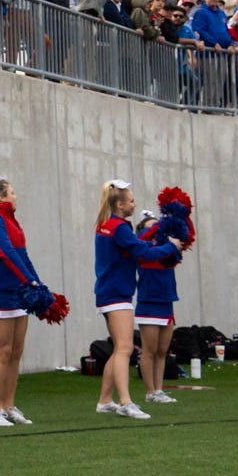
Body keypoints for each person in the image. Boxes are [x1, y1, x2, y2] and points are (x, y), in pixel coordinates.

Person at [0, 171, 58, 427]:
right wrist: (29, 281)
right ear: (1, 197)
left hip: (18, 294)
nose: (16, 197)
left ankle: (9, 405)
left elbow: (23, 256)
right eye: (13, 192)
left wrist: (39, 286)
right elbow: (4, 252)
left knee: (16, 352)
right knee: (2, 351)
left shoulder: (12, 221)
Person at [90, 179, 180, 419]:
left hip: (110, 290)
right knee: (125, 348)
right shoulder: (119, 227)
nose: (134, 203)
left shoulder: (107, 224)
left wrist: (155, 233)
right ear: (120, 204)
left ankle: (105, 400)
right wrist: (172, 247)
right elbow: (143, 251)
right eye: (131, 200)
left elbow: (134, 245)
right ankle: (126, 401)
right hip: (116, 292)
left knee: (118, 349)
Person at [130, 193, 193, 404]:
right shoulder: (142, 248)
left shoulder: (169, 250)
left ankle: (159, 390)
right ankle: (150, 392)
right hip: (148, 302)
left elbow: (188, 234)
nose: (156, 229)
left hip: (167, 301)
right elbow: (140, 240)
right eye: (150, 227)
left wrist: (184, 213)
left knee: (162, 351)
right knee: (149, 350)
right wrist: (158, 225)